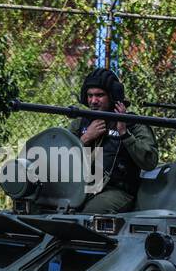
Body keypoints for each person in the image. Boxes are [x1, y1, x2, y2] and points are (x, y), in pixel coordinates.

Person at [67, 68, 158, 214]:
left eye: (99, 95)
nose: (93, 101)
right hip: (82, 186)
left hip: (116, 190)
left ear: (113, 97)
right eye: (90, 96)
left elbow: (150, 161)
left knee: (90, 214)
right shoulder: (80, 124)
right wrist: (85, 138)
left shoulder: (134, 124)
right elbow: (60, 159)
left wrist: (124, 133)